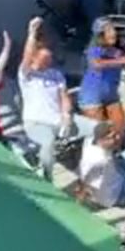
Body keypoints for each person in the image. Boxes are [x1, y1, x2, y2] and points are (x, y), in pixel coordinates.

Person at [19, 17, 94, 178]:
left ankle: (90, 167)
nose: (49, 61)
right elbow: (26, 55)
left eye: (49, 58)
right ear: (35, 58)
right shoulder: (27, 75)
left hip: (59, 120)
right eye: (44, 59)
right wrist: (31, 34)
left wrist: (66, 115)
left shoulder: (56, 74)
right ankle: (47, 177)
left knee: (98, 129)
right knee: (48, 145)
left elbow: (64, 96)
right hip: (36, 123)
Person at [80, 18, 125, 129]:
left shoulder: (118, 50)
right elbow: (96, 64)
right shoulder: (95, 49)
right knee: (101, 133)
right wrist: (121, 60)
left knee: (120, 128)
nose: (113, 33)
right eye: (108, 30)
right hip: (92, 97)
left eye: (113, 29)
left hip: (111, 95)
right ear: (100, 35)